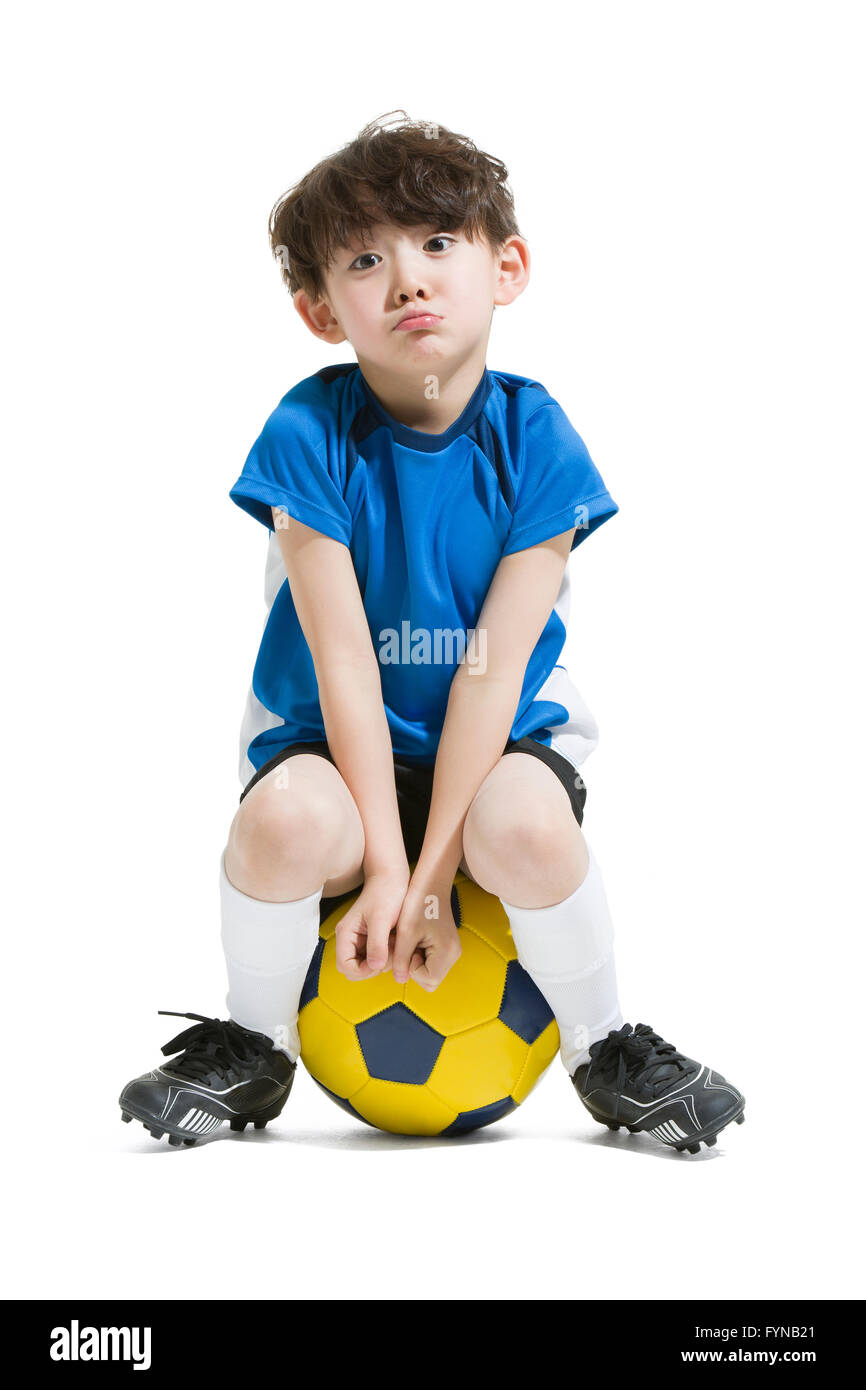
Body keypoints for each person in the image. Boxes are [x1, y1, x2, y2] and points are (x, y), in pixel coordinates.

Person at [119, 113, 745, 1154]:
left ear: (506, 268)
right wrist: (382, 869)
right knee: (281, 823)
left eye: (438, 243)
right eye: (366, 260)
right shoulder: (308, 434)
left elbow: (489, 675)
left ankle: (603, 1047)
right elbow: (345, 664)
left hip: (494, 745)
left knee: (530, 828)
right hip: (337, 747)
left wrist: (432, 870)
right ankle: (253, 1043)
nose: (407, 279)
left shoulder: (535, 438)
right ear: (321, 310)